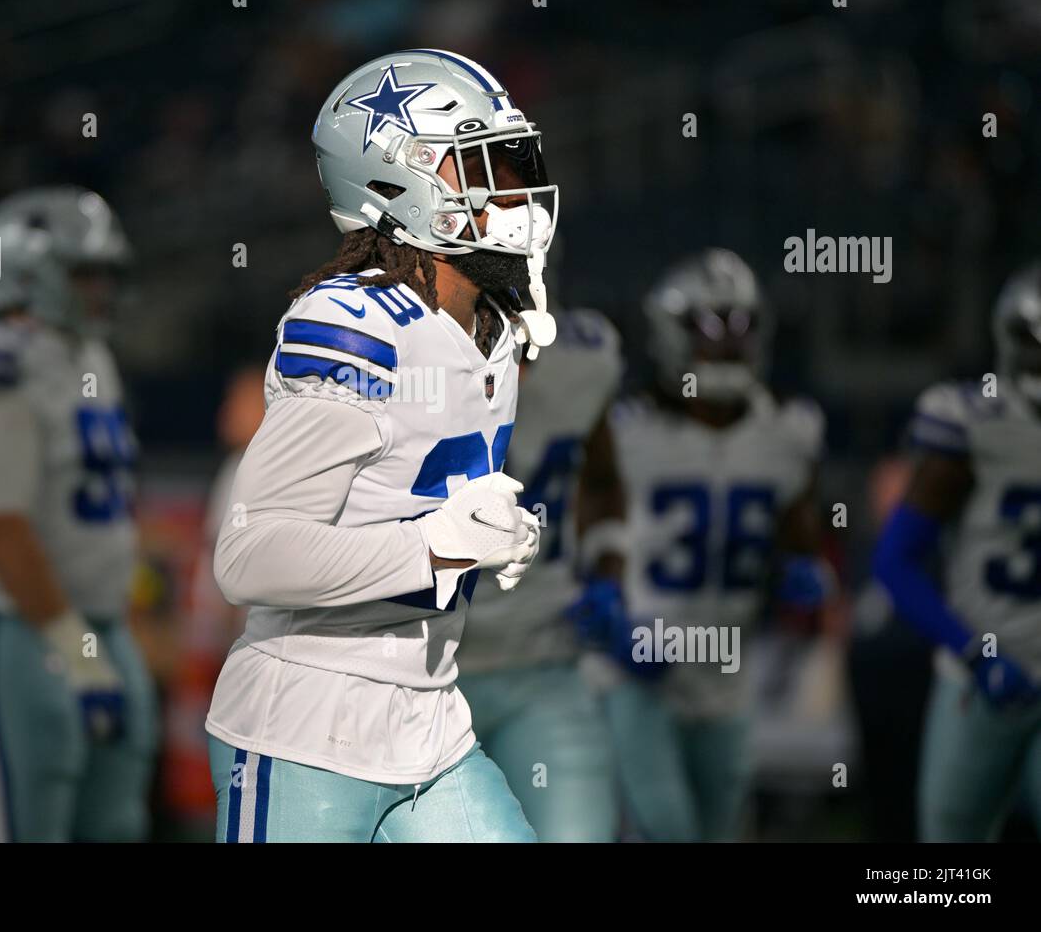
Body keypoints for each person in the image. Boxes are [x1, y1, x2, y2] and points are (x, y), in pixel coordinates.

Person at [207, 49, 557, 842]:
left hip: (432, 721)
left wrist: (494, 532)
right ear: (399, 182)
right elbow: (249, 555)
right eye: (485, 168)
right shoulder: (359, 326)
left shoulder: (494, 327)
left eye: (513, 164)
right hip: (304, 729)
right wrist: (433, 548)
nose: (514, 194)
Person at [574, 249, 833, 841]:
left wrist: (805, 569)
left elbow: (801, 542)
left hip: (724, 677)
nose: (727, 343)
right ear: (673, 333)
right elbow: (579, 533)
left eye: (740, 326)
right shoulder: (626, 429)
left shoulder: (786, 434)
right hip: (636, 670)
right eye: (709, 326)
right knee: (667, 831)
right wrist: (609, 615)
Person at [0, 186, 157, 842]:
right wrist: (77, 653)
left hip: (98, 623)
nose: (101, 290)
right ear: (26, 271)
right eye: (84, 272)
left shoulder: (91, 357)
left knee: (116, 822)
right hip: (13, 628)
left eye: (107, 274)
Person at [874, 264, 1041, 841]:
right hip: (980, 681)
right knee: (947, 864)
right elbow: (894, 562)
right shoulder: (972, 424)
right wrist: (977, 654)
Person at [456, 307, 623, 841]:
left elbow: (603, 479)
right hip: (421, 672)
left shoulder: (581, 363)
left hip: (542, 663)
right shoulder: (399, 354)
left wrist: (607, 564)